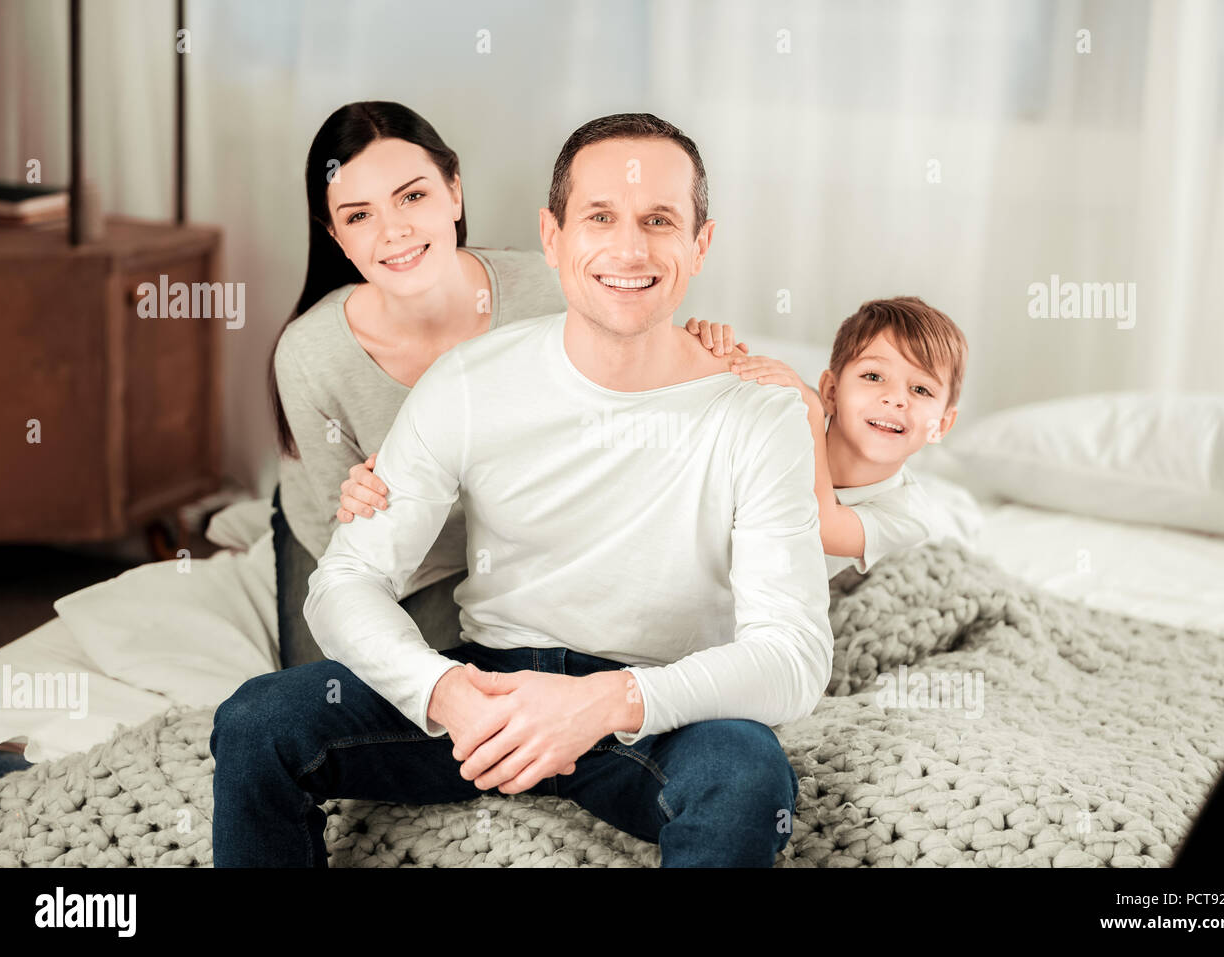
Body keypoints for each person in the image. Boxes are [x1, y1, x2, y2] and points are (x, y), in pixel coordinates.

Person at [212, 112, 833, 868]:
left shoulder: (760, 417)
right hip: (487, 687)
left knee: (746, 773)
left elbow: (795, 655)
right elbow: (344, 577)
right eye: (600, 217)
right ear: (552, 237)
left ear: (701, 243)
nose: (629, 249)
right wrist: (444, 692)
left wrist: (607, 703)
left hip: (654, 706)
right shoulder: (468, 381)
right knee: (255, 720)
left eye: (660, 220)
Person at [268, 101, 744, 670]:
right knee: (345, 689)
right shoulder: (308, 354)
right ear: (336, 236)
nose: (394, 231)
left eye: (413, 196)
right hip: (393, 549)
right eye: (358, 215)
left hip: (520, 549)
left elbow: (642, 364)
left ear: (454, 193)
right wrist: (369, 504)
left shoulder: (551, 292)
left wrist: (700, 348)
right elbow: (347, 545)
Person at [729, 296, 969, 577]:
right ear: (831, 392)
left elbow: (821, 527)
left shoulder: (910, 514)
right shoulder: (790, 413)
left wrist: (813, 414)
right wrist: (708, 344)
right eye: (874, 376)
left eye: (920, 390)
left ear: (941, 424)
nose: (894, 398)